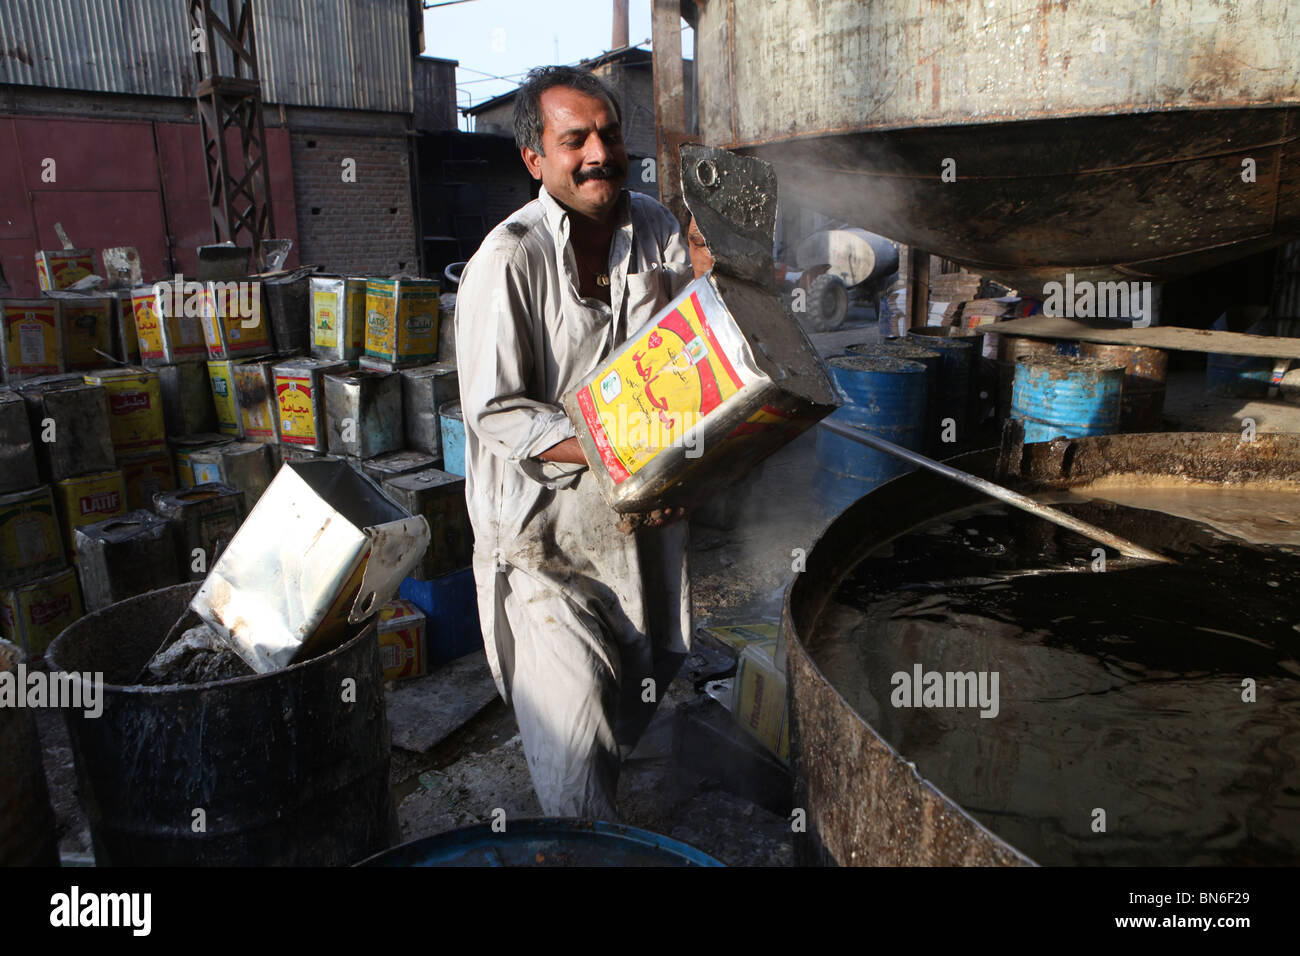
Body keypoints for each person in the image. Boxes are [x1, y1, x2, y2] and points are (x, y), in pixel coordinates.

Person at [454, 65, 697, 820]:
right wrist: (616, 444)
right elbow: (497, 413)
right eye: (575, 140)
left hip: (637, 527)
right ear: (535, 159)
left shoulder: (656, 228)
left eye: (611, 134)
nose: (599, 153)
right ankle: (579, 840)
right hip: (540, 544)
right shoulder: (510, 259)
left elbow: (690, 354)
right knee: (575, 748)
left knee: (640, 688)